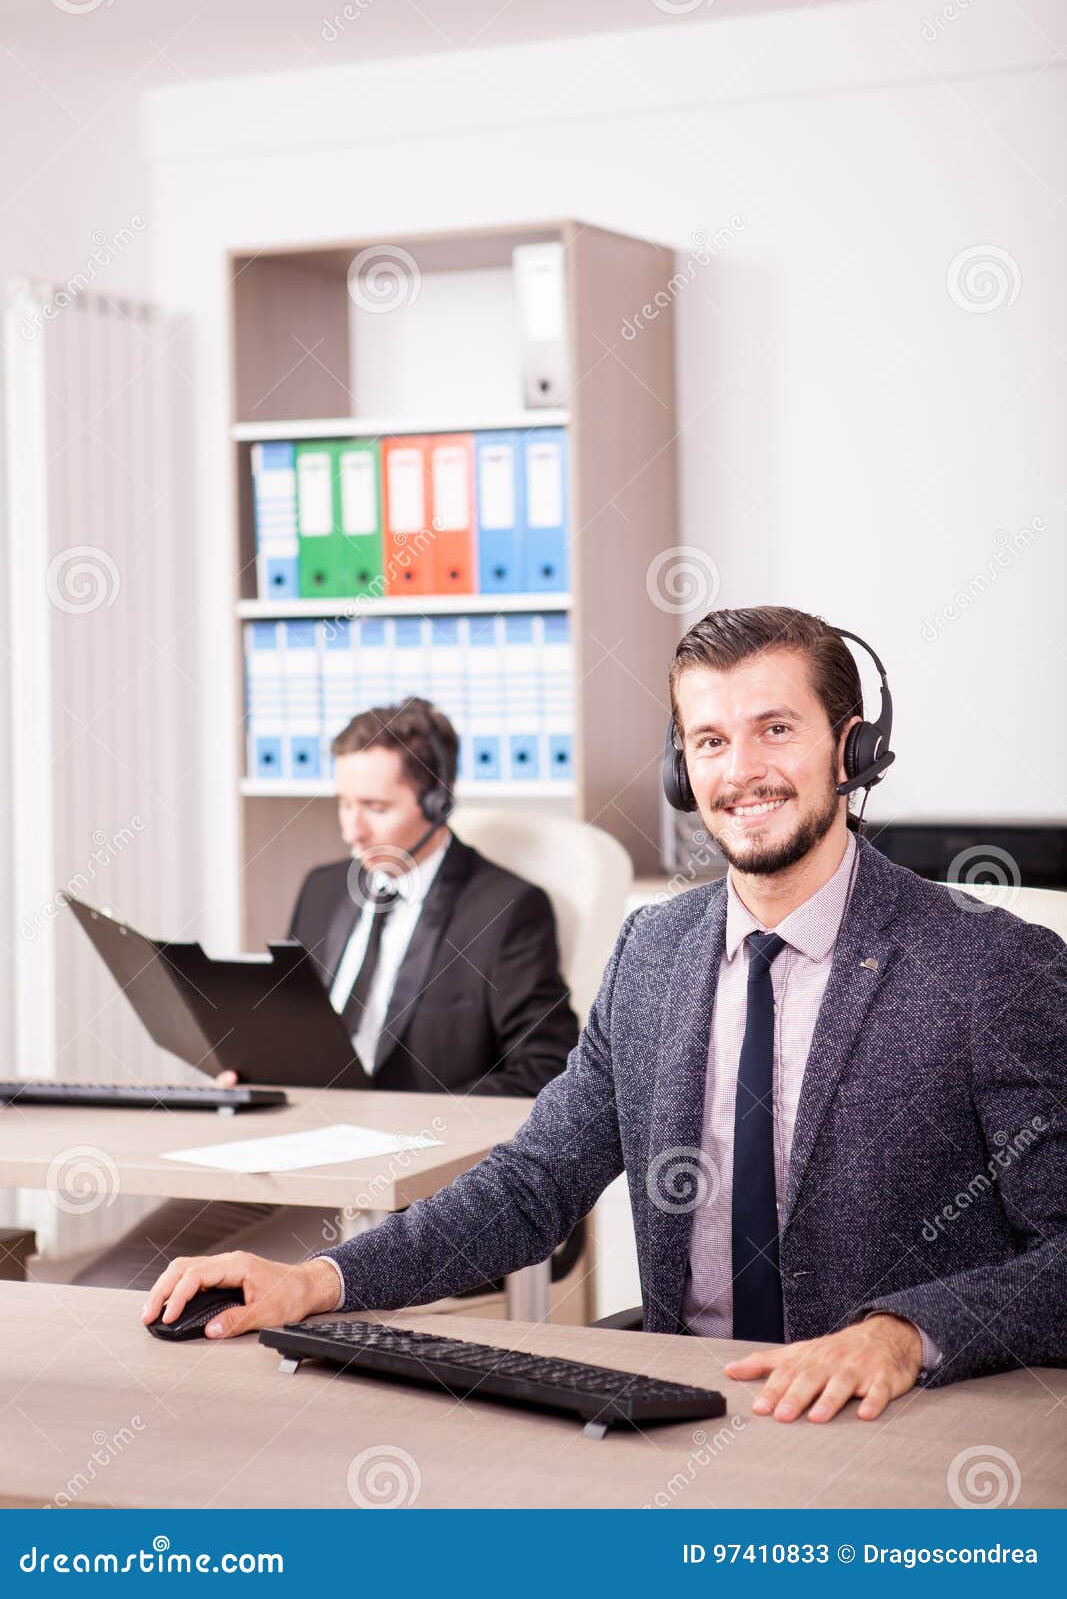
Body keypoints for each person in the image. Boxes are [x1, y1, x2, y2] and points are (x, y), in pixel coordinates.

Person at [141, 609, 1066, 1425]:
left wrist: (904, 1335)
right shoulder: (652, 954)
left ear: (851, 749)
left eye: (774, 729)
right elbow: (532, 1185)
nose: (740, 772)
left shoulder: (987, 968)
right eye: (708, 741)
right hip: (684, 1409)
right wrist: (312, 1282)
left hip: (890, 1418)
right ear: (679, 768)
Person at [78, 697, 578, 1289]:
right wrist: (251, 1066)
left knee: (197, 1294)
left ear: (437, 801)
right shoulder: (323, 890)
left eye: (374, 807)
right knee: (109, 1280)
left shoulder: (504, 909)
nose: (351, 830)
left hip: (409, 1197)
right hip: (290, 1166)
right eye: (344, 803)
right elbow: (299, 1027)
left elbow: (547, 1071)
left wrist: (405, 1130)